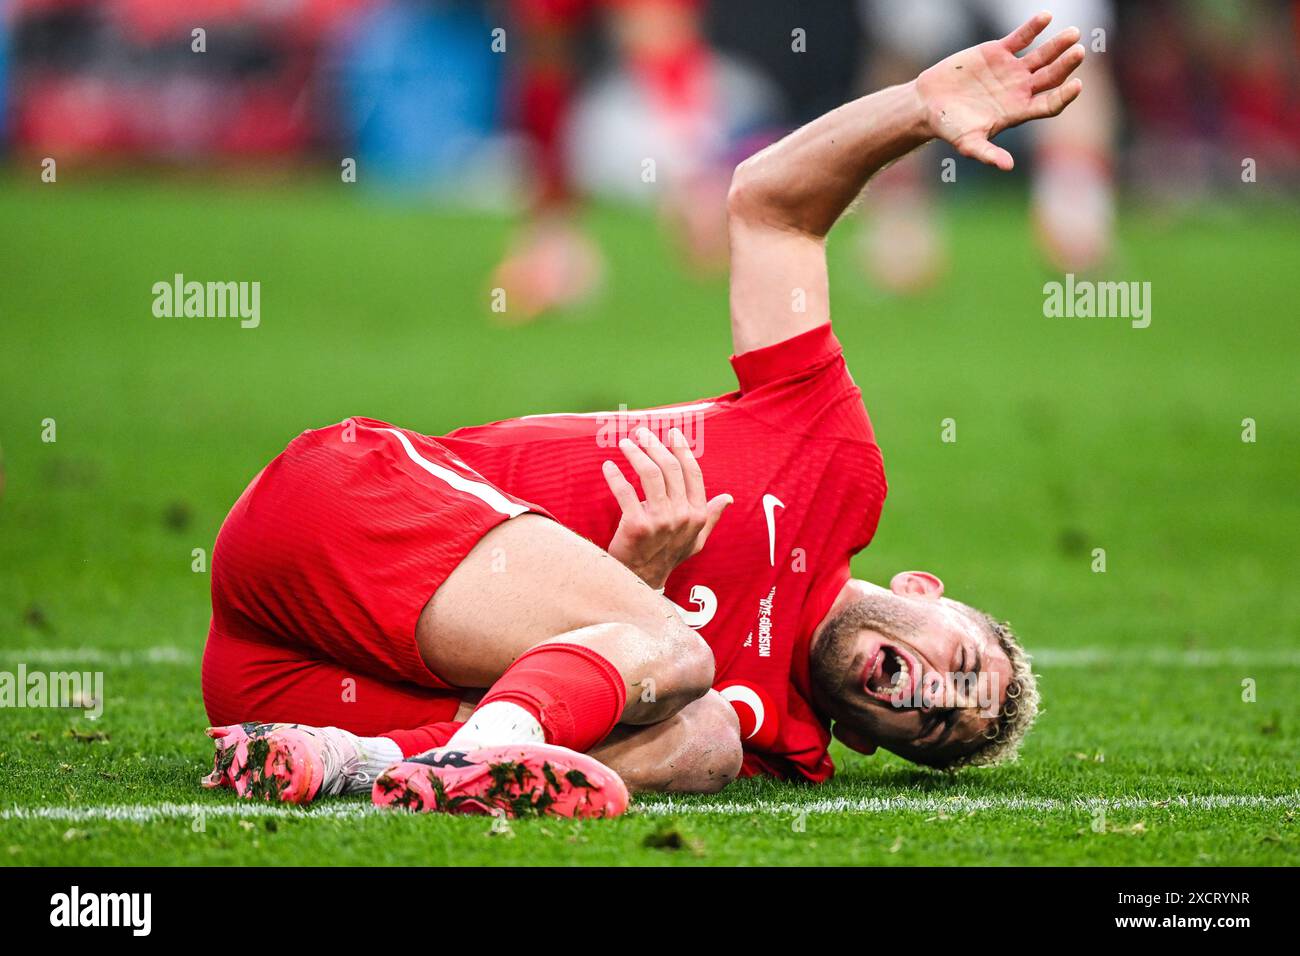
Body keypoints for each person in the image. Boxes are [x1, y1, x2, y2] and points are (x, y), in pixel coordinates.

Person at [202, 11, 1080, 817]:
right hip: (340, 513)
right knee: (675, 655)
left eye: (929, 726)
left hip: (286, 680)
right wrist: (913, 110)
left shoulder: (783, 749)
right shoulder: (835, 461)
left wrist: (636, 590)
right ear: (925, 590)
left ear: (865, 741)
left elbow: (646, 693)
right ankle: (454, 765)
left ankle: (356, 763)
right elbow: (772, 213)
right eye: (957, 666)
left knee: (703, 740)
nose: (924, 692)